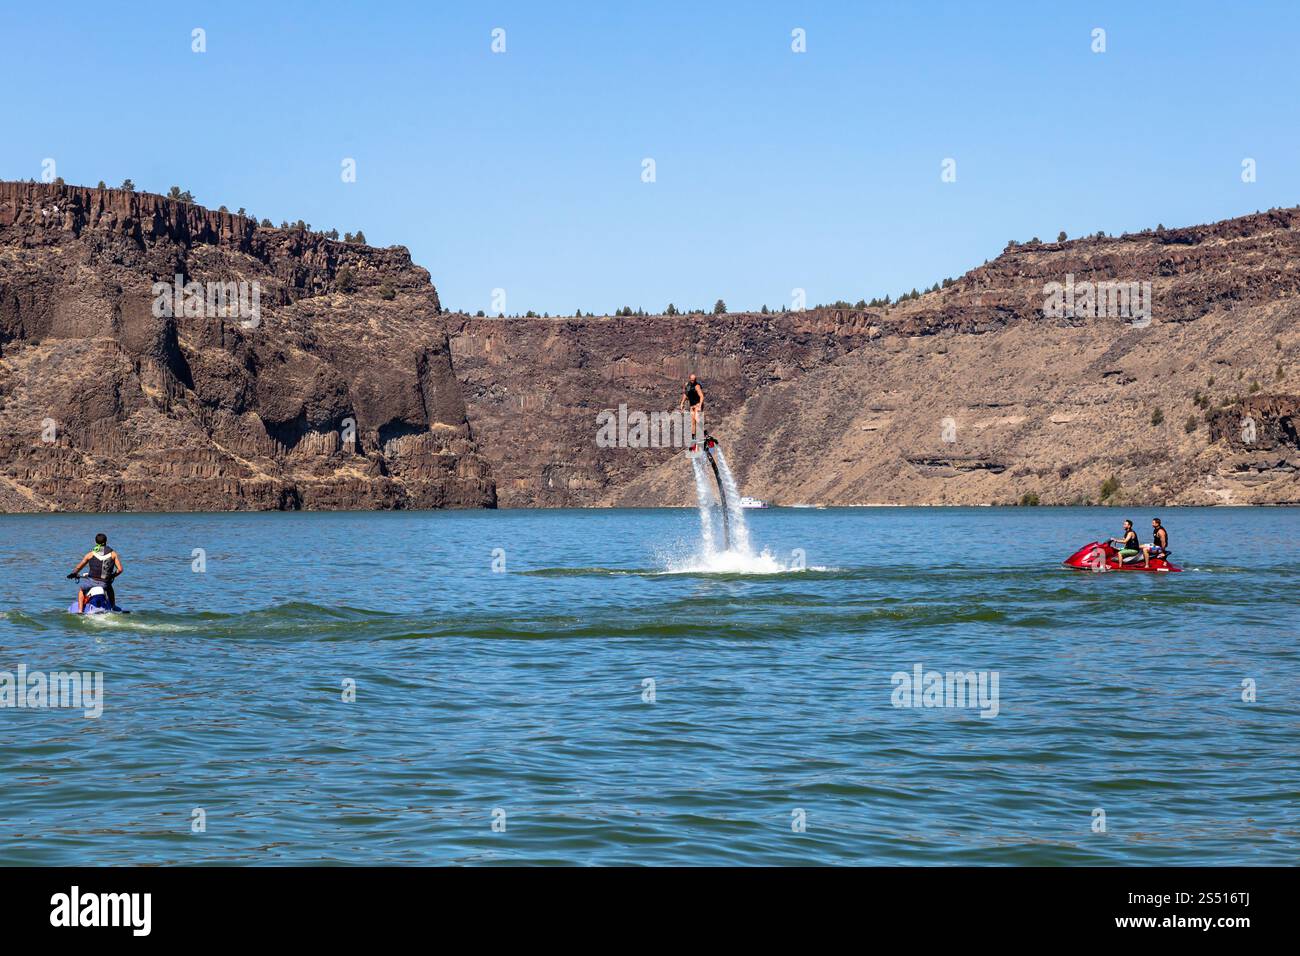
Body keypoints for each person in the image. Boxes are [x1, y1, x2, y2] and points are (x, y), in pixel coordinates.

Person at [68, 533, 123, 612]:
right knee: (110, 589)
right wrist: (112, 576)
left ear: (95, 542)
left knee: (81, 590)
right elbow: (120, 570)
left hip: (91, 582)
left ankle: (80, 611)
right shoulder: (113, 554)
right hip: (105, 583)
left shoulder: (90, 554)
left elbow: (79, 567)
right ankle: (113, 606)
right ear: (106, 541)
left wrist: (73, 573)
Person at [679, 374, 705, 440]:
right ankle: (693, 437)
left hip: (697, 404)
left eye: (694, 380)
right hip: (692, 406)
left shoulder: (697, 386)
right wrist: (682, 403)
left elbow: (701, 396)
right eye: (692, 380)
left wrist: (700, 405)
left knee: (697, 418)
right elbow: (685, 394)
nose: (693, 381)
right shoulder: (687, 385)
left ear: (695, 379)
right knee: (693, 422)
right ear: (690, 379)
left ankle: (705, 433)